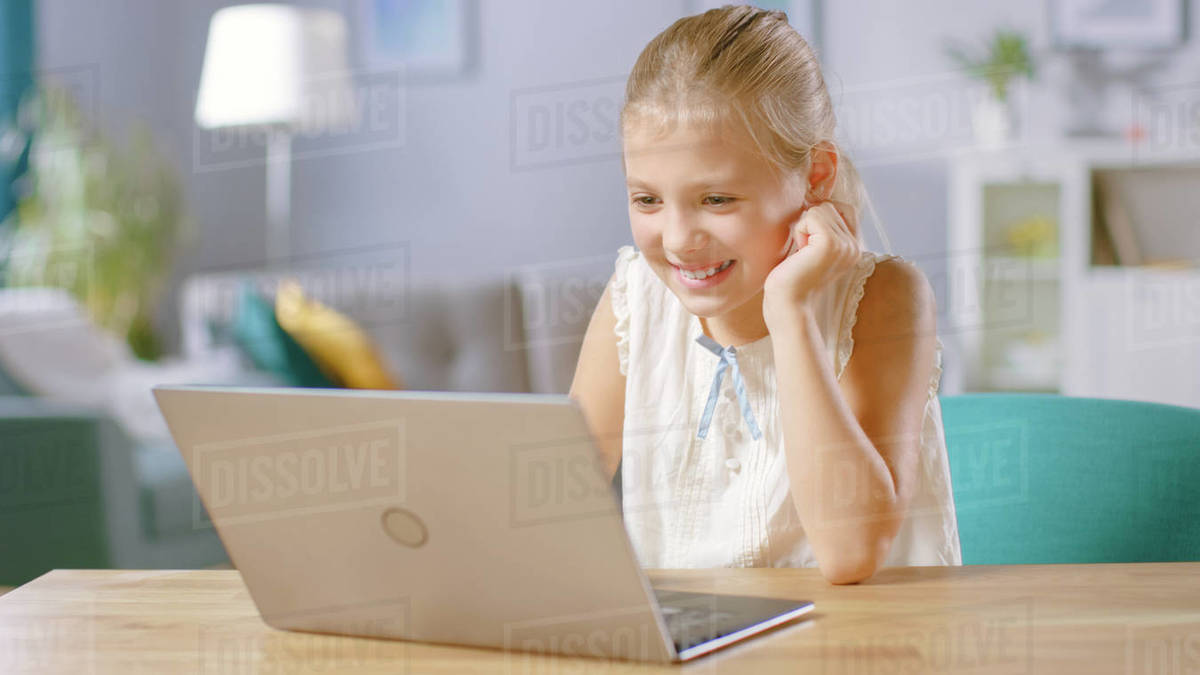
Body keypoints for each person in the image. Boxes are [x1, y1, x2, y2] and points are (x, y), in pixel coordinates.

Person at [569, 4, 961, 584]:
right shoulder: (636, 294)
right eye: (647, 200)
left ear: (815, 177)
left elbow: (851, 552)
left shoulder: (886, 297)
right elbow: (548, 502)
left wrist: (791, 311)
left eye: (717, 200)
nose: (677, 241)